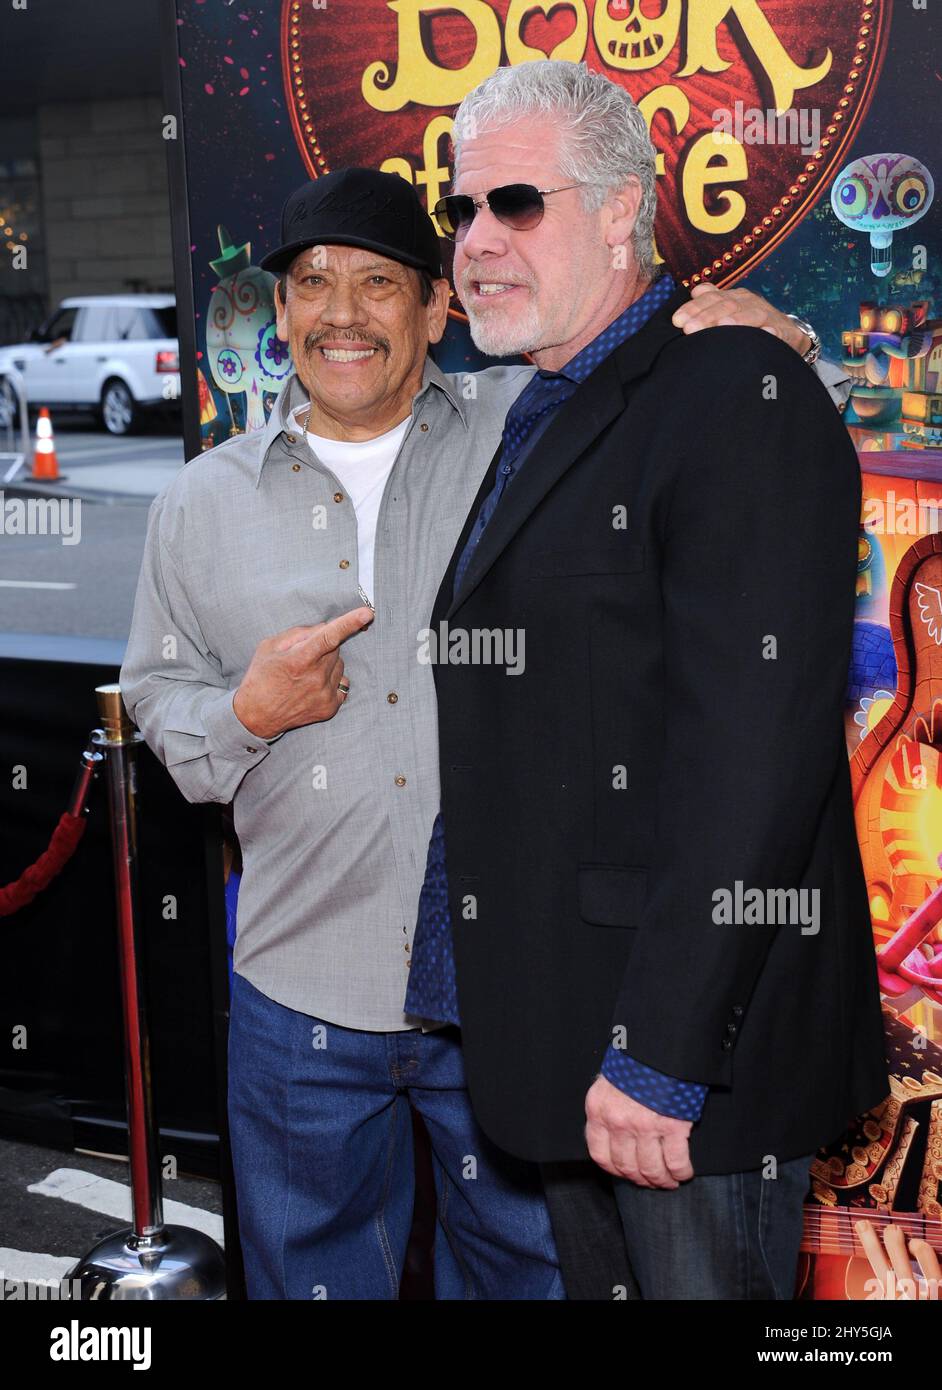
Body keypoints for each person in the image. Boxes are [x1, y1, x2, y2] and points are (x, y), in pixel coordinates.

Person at [120, 156, 849, 1299]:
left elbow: (703, 422)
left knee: (533, 1284)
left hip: (510, 999)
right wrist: (241, 714)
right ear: (282, 310)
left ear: (437, 306)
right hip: (299, 994)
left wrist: (780, 340)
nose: (344, 314)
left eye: (379, 282)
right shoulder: (197, 503)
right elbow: (157, 700)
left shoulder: (539, 426)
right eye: (313, 283)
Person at [404, 60, 889, 1301]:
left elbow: (755, 758)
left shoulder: (738, 391)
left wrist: (665, 1054)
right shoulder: (554, 401)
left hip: (680, 1059)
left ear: (623, 209)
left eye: (518, 203)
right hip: (575, 1026)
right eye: (463, 212)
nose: (476, 243)